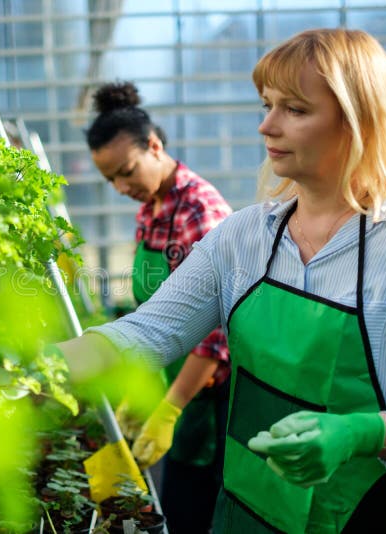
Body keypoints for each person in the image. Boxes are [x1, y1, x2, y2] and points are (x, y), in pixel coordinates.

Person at [59, 29, 386, 533]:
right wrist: (38, 368)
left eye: (295, 110)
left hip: (370, 516)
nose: (266, 126)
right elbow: (150, 331)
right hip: (250, 509)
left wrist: (357, 433)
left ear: (357, 122)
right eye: (267, 105)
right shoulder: (244, 237)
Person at [85, 81, 232, 533]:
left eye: (126, 171)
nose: (120, 186)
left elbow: (214, 332)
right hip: (171, 376)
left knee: (195, 510)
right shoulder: (151, 208)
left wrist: (169, 408)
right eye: (110, 179)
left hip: (204, 392)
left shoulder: (199, 211)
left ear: (154, 146)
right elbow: (154, 308)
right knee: (168, 501)